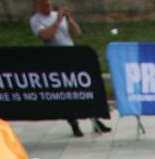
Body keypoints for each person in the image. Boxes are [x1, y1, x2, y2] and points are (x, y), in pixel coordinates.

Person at [29, 1, 111, 136]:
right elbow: (46, 36)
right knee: (66, 93)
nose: (48, 7)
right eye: (45, 5)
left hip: (72, 56)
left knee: (84, 90)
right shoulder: (35, 20)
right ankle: (74, 124)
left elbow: (77, 33)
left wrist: (69, 19)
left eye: (49, 4)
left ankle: (95, 120)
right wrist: (57, 21)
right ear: (38, 5)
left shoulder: (58, 15)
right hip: (55, 59)